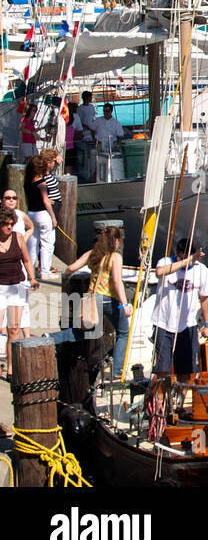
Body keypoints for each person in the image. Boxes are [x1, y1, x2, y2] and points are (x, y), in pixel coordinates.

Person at [64, 226, 131, 376]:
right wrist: (125, 304)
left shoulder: (92, 254)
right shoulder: (115, 257)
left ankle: (52, 338)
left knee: (87, 331)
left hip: (91, 299)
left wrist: (65, 275)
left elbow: (71, 268)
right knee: (123, 332)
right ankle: (117, 371)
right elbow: (116, 281)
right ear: (116, 241)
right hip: (107, 299)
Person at [151, 237, 208, 378]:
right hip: (163, 324)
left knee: (187, 371)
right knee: (163, 371)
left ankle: (180, 397)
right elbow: (159, 272)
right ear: (176, 252)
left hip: (187, 326)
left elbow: (204, 298)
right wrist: (185, 262)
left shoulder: (201, 270)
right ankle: (164, 397)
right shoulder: (166, 262)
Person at [0, 206, 38, 379]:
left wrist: (32, 278)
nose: (9, 227)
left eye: (11, 223)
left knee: (14, 329)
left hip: (16, 287)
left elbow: (27, 260)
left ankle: (10, 368)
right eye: (5, 224)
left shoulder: (18, 237)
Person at [23, 154, 58, 282]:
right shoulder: (41, 183)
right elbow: (45, 201)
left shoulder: (27, 182)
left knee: (33, 244)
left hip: (31, 213)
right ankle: (45, 271)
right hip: (42, 214)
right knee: (47, 243)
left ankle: (30, 270)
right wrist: (53, 217)